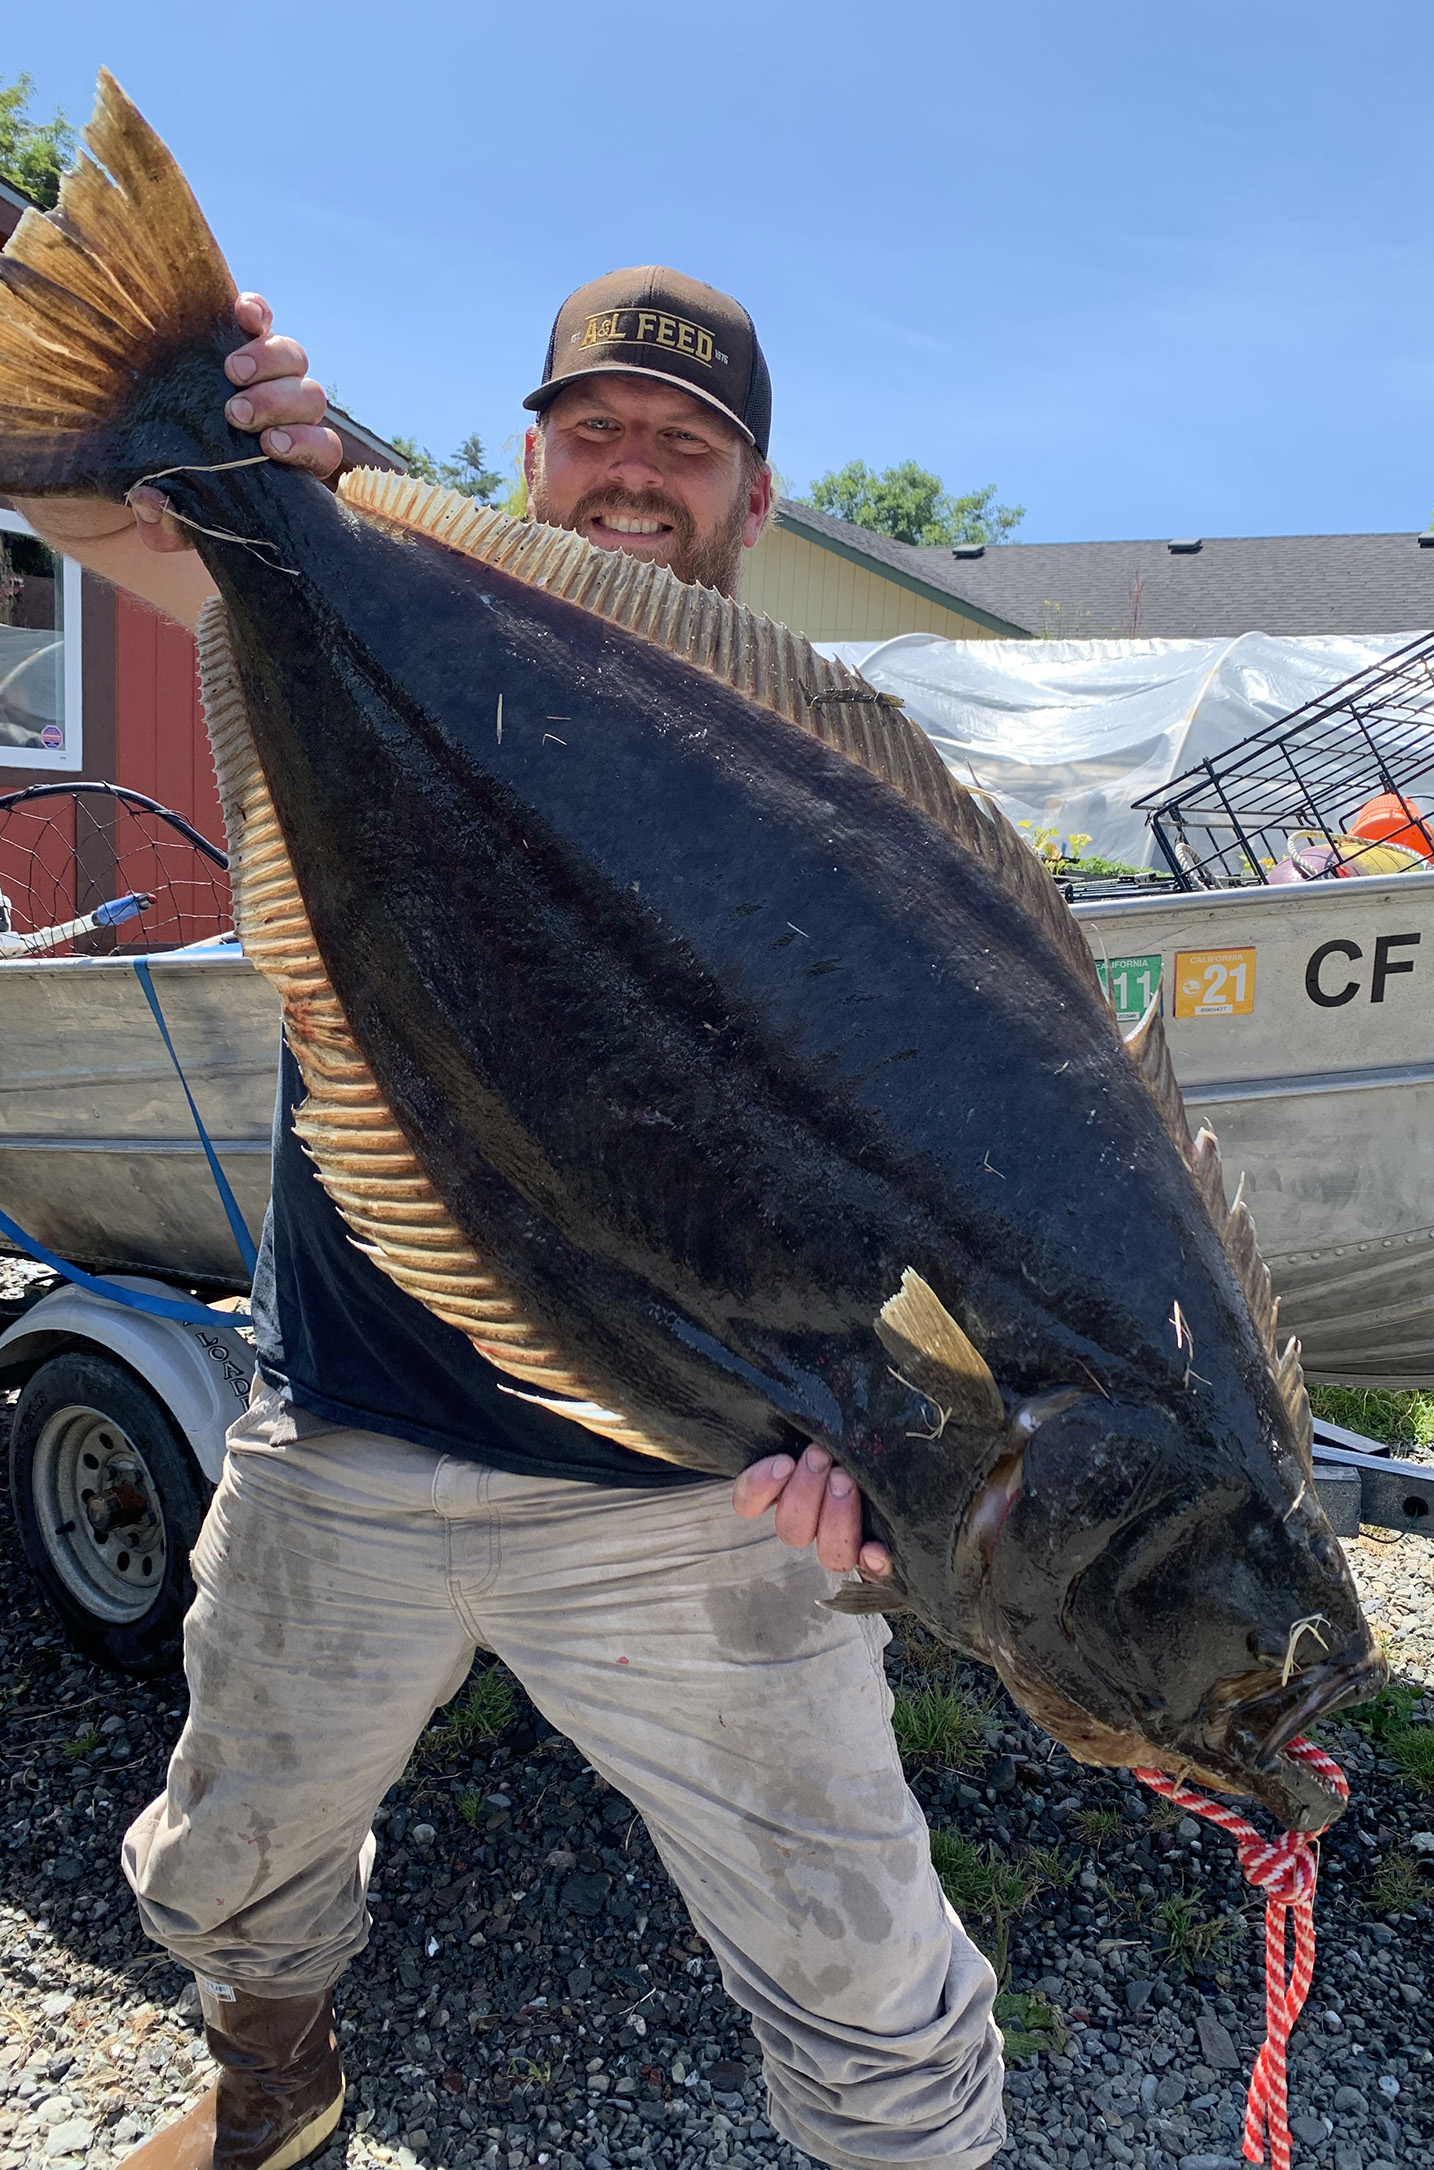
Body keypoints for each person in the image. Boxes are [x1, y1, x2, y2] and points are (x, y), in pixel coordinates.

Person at [21, 268, 1003, 2170]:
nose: (638, 471)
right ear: (528, 451)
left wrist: (908, 1484)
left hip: (691, 1498)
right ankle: (277, 2087)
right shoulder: (356, 586)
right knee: (230, 1860)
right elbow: (75, 502)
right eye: (598, 428)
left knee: (867, 1976)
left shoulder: (811, 774)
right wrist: (213, 432)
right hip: (347, 1432)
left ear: (757, 497)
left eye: (688, 443)